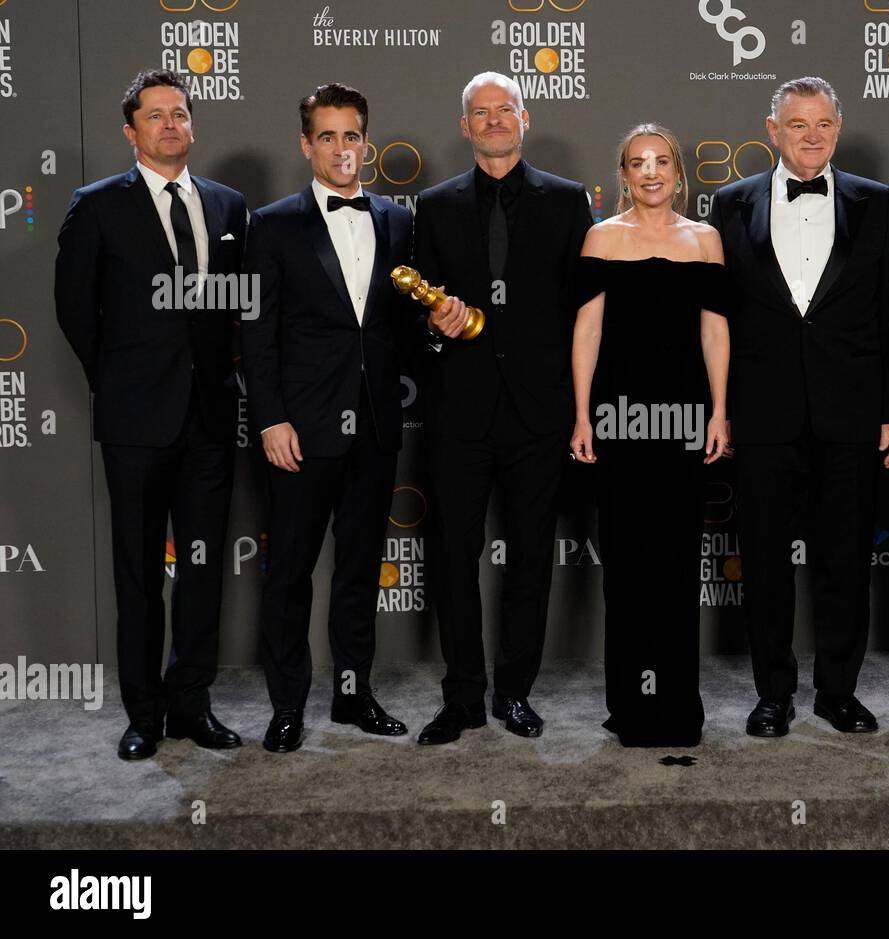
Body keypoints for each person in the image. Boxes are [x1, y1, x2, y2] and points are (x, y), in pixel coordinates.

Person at [709, 77, 889, 738]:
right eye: (797, 124)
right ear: (772, 130)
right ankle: (773, 693)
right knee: (765, 562)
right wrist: (722, 408)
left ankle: (838, 691)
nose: (811, 136)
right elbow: (719, 315)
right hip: (762, 413)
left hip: (851, 412)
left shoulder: (877, 203)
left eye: (823, 124)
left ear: (838, 127)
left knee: (845, 562)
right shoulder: (731, 203)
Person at [55, 69, 247, 760]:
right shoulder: (97, 205)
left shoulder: (228, 206)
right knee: (138, 572)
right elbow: (76, 312)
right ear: (130, 131)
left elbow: (237, 310)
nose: (170, 123)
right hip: (135, 423)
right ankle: (144, 712)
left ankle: (192, 704)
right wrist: (122, 383)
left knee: (199, 568)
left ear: (192, 125)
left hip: (210, 421)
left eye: (179, 112)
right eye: (155, 114)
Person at [413, 72, 592, 744]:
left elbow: (584, 311)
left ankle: (513, 690)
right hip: (458, 411)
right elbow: (414, 318)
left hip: (539, 411)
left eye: (503, 110)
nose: (492, 121)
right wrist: (437, 325)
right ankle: (462, 695)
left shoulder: (570, 202)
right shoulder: (432, 207)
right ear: (465, 126)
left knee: (530, 558)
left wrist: (579, 405)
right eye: (479, 113)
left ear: (525, 116)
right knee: (453, 557)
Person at [242, 83, 413, 753]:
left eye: (353, 135)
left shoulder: (397, 220)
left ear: (365, 141)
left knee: (358, 568)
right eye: (328, 136)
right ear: (306, 144)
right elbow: (256, 332)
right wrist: (272, 419)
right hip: (301, 430)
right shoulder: (274, 223)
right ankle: (287, 706)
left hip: (375, 424)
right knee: (287, 573)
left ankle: (351, 693)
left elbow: (396, 325)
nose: (343, 148)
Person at [569, 124, 730, 747]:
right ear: (624, 174)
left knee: (675, 565)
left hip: (686, 419)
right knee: (629, 566)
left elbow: (715, 331)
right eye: (638, 163)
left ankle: (677, 708)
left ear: (678, 171)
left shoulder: (707, 240)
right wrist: (583, 415)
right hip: (618, 420)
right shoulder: (601, 238)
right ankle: (634, 708)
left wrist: (720, 411)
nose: (651, 172)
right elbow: (588, 333)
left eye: (661, 161)